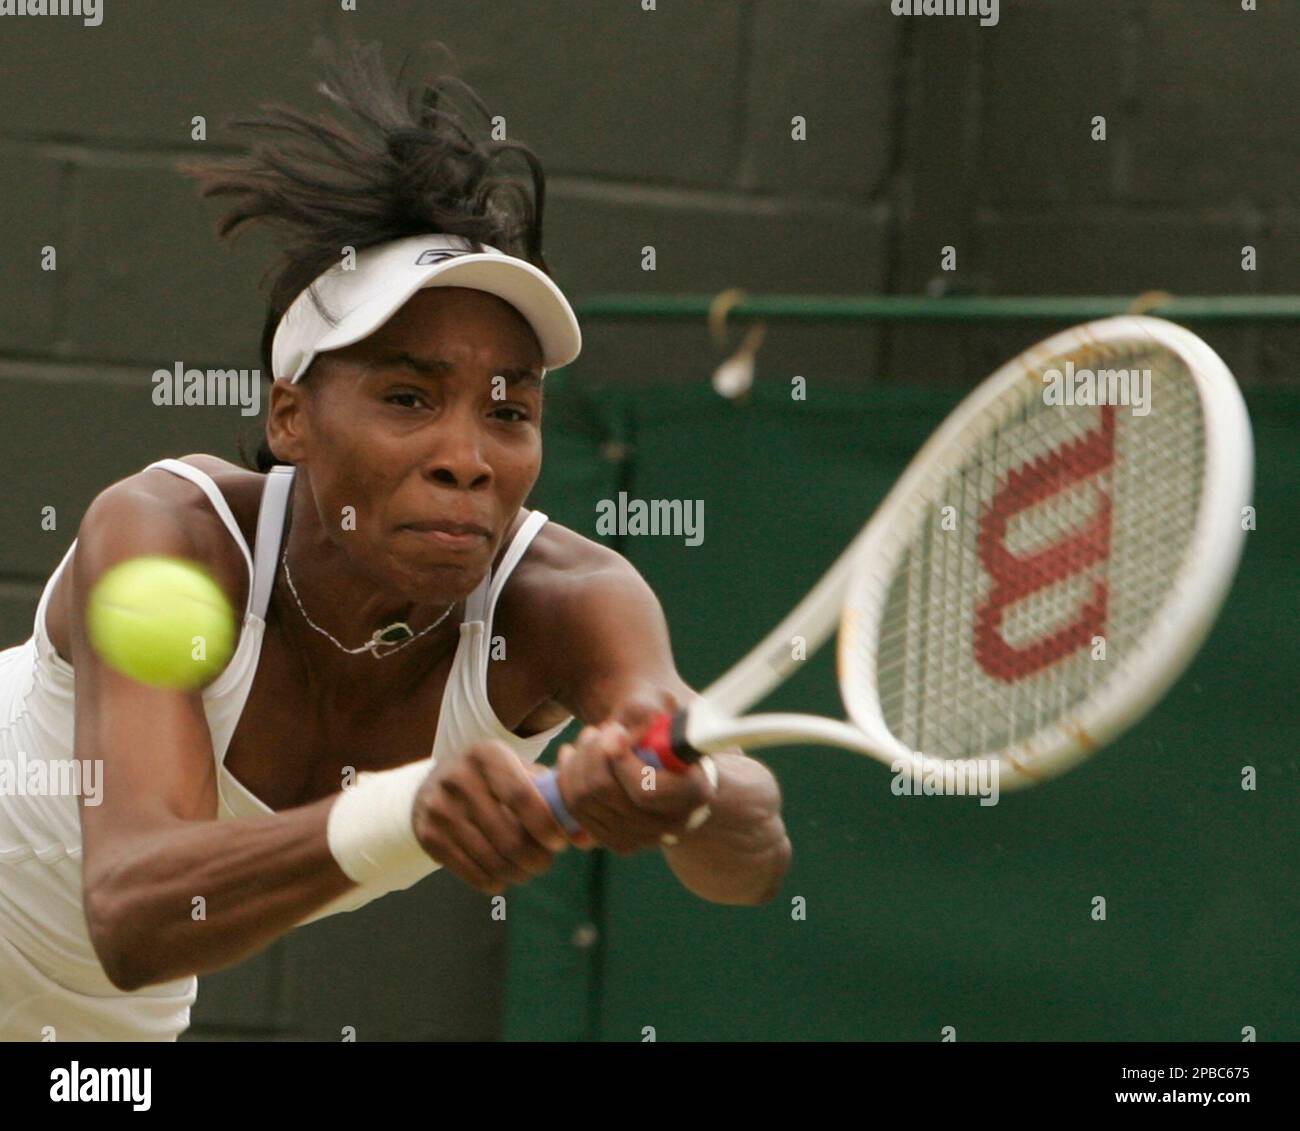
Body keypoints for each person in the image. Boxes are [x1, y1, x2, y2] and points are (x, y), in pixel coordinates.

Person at [0, 39, 790, 1041]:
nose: (467, 457)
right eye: (409, 396)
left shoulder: (570, 600)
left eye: (509, 412)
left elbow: (748, 859)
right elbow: (132, 908)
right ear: (291, 418)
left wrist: (681, 785)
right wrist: (400, 815)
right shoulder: (171, 532)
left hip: (99, 1030)